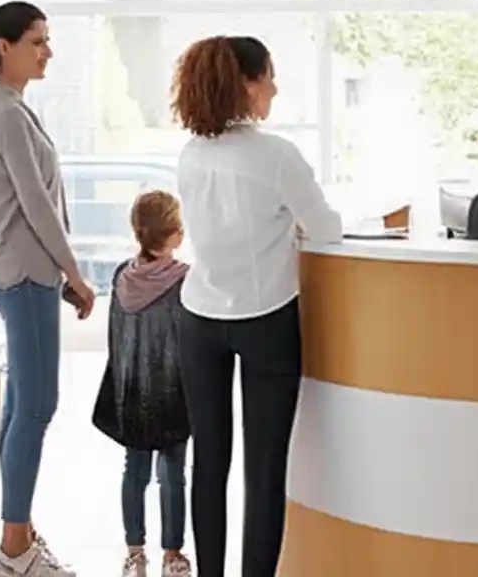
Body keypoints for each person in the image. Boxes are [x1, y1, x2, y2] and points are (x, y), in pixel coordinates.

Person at [171, 35, 343, 576]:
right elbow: (328, 229)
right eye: (269, 75)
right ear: (247, 84)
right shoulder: (276, 155)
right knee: (264, 469)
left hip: (199, 317)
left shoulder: (191, 153)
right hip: (266, 319)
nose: (275, 86)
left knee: (210, 463)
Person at [0, 0, 96, 577]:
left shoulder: (7, 109)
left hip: (18, 270)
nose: (47, 51)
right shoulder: (6, 114)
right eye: (37, 41)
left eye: (47, 40)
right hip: (26, 274)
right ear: (4, 49)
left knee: (21, 407)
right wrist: (75, 272)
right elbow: (37, 207)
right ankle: (15, 548)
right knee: (36, 405)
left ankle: (18, 535)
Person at [91, 190, 194, 577]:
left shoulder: (122, 276)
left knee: (134, 471)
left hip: (130, 392)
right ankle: (173, 555)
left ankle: (134, 553)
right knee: (173, 474)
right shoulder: (185, 280)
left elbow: (115, 336)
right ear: (176, 235)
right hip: (172, 395)